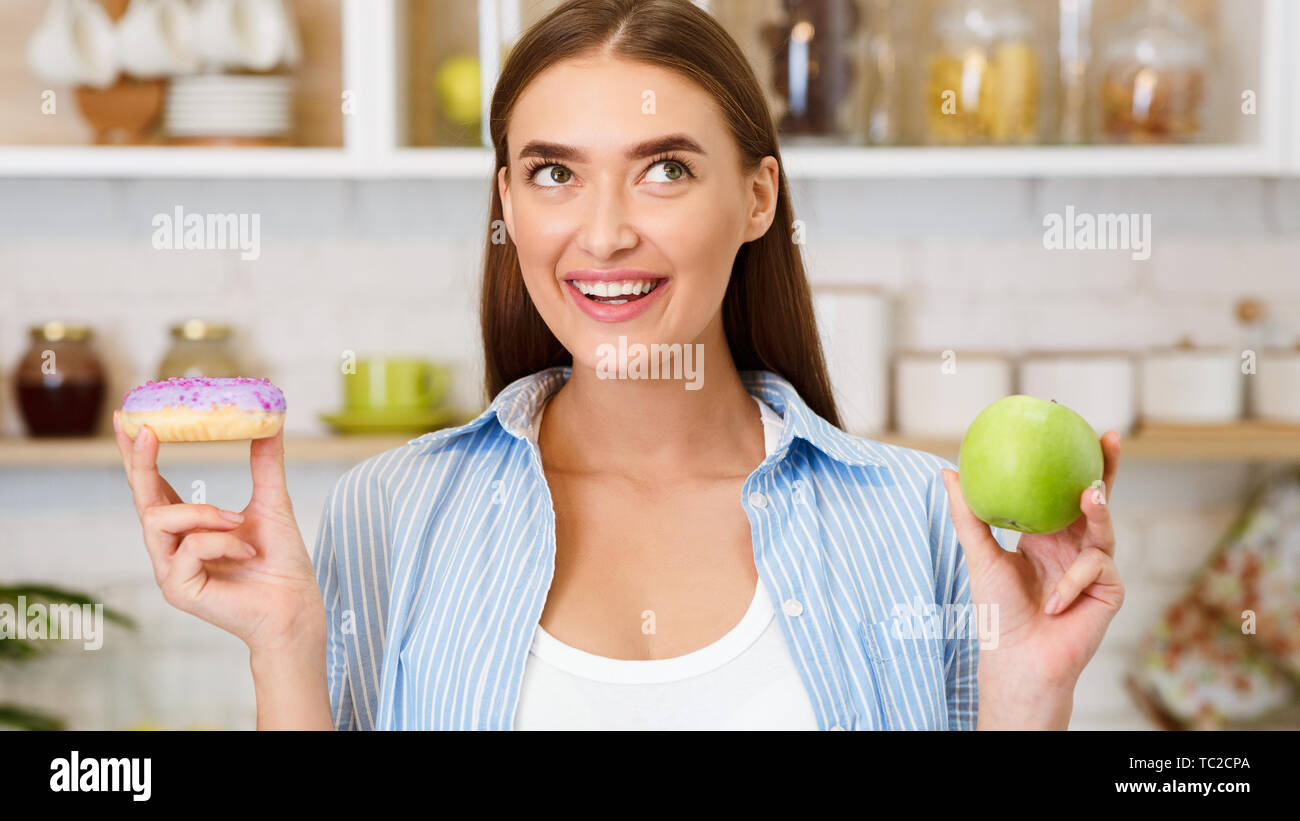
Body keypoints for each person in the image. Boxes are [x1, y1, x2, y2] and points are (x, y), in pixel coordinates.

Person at [114, 0, 1123, 730]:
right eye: (554, 172)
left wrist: (1031, 697)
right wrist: (286, 646)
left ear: (758, 198)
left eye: (666, 169)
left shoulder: (921, 520)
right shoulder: (394, 509)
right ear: (507, 201)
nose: (602, 233)